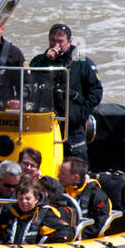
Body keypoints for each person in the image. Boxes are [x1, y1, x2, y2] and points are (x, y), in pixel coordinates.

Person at [29, 23, 102, 161]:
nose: (56, 45)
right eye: (53, 40)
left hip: (72, 126)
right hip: (46, 123)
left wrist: (80, 114)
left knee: (76, 166)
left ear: (69, 42)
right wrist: (46, 60)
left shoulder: (83, 63)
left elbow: (96, 92)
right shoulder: (39, 61)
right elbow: (30, 81)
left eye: (60, 41)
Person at [0, 176, 73, 245]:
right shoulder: (8, 214)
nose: (24, 202)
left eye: (28, 199)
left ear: (36, 199)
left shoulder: (45, 214)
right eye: (21, 198)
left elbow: (66, 230)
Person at [59, 156, 112, 239]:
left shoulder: (97, 196)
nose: (58, 176)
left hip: (82, 238)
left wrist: (75, 235)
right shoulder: (60, 189)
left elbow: (99, 224)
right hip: (62, 233)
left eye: (62, 173)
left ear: (75, 177)